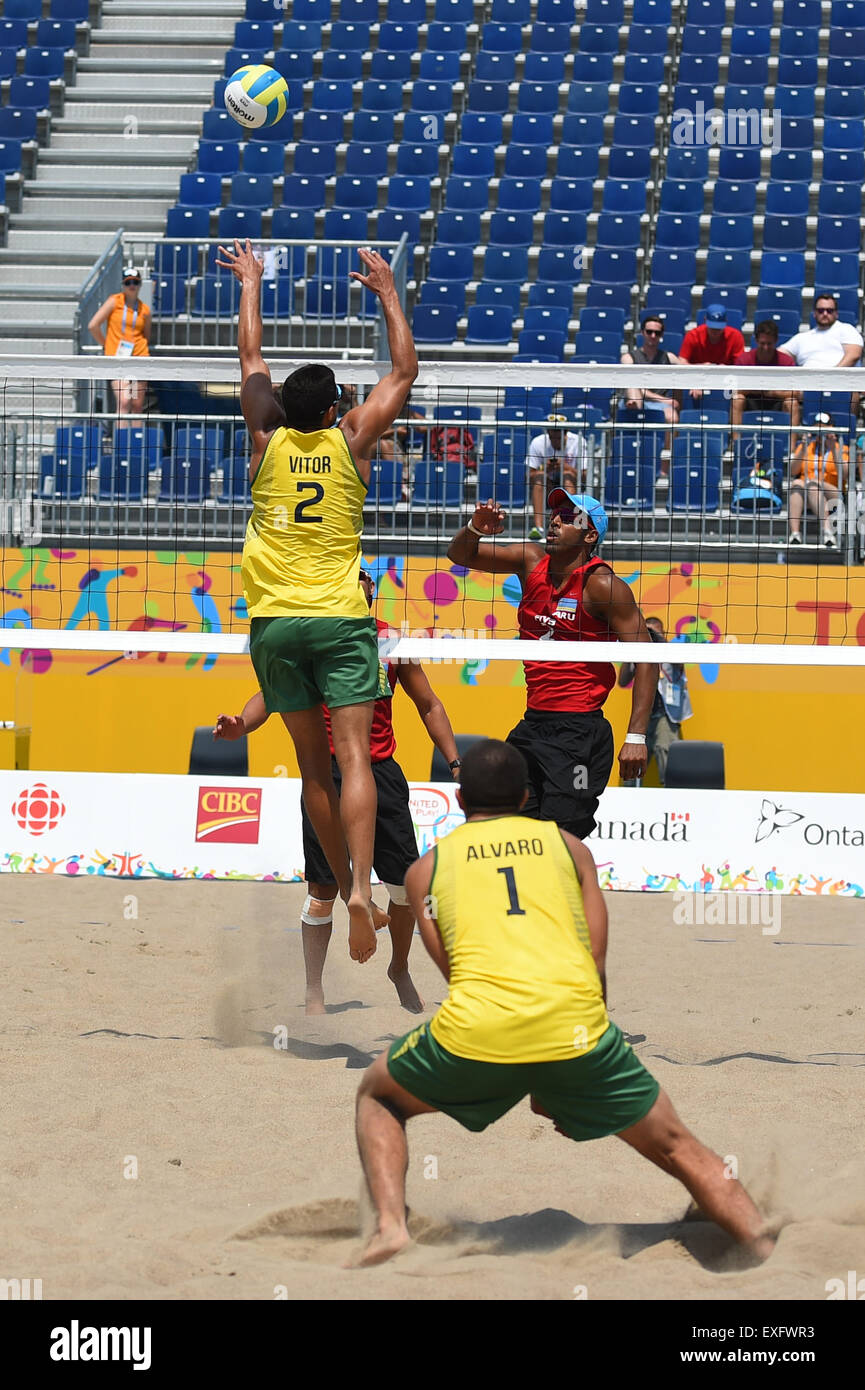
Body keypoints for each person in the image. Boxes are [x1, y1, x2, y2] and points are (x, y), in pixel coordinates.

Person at [351, 739, 775, 1267]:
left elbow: (457, 974)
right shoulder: (571, 849)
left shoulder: (424, 872)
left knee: (378, 1097)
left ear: (460, 801)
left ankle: (391, 1229)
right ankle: (761, 1243)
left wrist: (532, 1074)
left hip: (479, 1029)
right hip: (577, 1027)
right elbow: (595, 961)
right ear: (529, 796)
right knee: (679, 1147)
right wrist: (557, 1079)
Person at [215, 238, 418, 963]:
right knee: (355, 756)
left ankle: (333, 879)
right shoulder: (354, 439)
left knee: (312, 770)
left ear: (276, 409)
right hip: (338, 616)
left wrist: (251, 283)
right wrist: (388, 292)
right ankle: (362, 886)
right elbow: (403, 370)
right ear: (336, 408)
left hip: (275, 624)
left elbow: (249, 360)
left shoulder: (263, 443)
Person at [214, 569, 461, 1016]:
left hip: (380, 775)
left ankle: (399, 967)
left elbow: (430, 705)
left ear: (371, 590)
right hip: (325, 779)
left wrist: (456, 763)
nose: (356, 581)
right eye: (351, 575)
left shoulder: (390, 642)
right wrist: (241, 724)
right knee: (321, 889)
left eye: (363, 577)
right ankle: (314, 991)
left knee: (405, 889)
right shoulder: (312, 639)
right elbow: (268, 695)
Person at [447, 490, 658, 837]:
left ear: (590, 535)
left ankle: (569, 890)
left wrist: (636, 736)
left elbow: (648, 661)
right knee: (511, 827)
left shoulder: (603, 585)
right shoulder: (531, 561)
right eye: (555, 513)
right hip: (534, 726)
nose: (555, 520)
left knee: (562, 836)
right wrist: (475, 527)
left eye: (569, 516)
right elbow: (460, 553)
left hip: (579, 731)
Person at [618, 617, 692, 786]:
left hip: (665, 714)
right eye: (648, 631)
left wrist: (660, 641)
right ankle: (629, 799)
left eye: (654, 631)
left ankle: (671, 794)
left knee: (664, 749)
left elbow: (680, 664)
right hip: (643, 716)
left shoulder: (670, 652)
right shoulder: (639, 653)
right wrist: (635, 649)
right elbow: (622, 681)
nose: (651, 635)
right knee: (634, 759)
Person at [87, 264, 151, 419]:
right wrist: (107, 345)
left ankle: (136, 441)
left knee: (136, 405)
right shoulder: (114, 302)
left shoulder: (144, 310)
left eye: (135, 282)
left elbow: (147, 335)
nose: (132, 286)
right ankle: (120, 442)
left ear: (140, 285)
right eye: (128, 282)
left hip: (138, 360)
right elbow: (93, 325)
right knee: (123, 402)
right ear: (123, 285)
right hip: (119, 360)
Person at [730, 319, 800, 435]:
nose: (766, 348)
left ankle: (791, 450)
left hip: (777, 401)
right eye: (762, 344)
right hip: (751, 401)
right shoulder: (744, 359)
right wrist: (758, 389)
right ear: (756, 341)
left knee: (792, 402)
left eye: (769, 344)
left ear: (776, 341)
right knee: (737, 399)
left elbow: (796, 392)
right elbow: (732, 390)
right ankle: (736, 445)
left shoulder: (786, 361)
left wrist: (772, 392)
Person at [789, 413, 848, 549]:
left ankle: (828, 531)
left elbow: (845, 474)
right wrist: (803, 447)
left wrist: (833, 448)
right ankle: (795, 534)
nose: (821, 433)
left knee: (813, 484)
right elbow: (792, 471)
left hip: (833, 493)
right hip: (810, 492)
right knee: (798, 483)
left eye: (824, 428)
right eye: (817, 428)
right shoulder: (807, 447)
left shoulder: (842, 448)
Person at [525, 413, 589, 538]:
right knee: (539, 478)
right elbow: (528, 475)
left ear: (565, 434)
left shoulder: (578, 442)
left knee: (567, 475)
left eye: (558, 437)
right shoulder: (538, 442)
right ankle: (539, 528)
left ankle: (572, 524)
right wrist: (544, 469)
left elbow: (585, 476)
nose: (555, 441)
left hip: (570, 486)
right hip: (548, 487)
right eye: (552, 437)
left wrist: (564, 466)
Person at [677, 304, 745, 405]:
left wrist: (726, 369)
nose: (715, 331)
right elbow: (681, 363)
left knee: (738, 396)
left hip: (726, 379)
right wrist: (701, 369)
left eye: (718, 328)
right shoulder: (693, 335)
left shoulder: (735, 336)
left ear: (725, 323)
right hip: (697, 376)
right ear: (705, 321)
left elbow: (741, 366)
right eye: (712, 327)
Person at [780, 293, 863, 371]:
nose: (825, 314)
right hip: (806, 383)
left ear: (836, 313)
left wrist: (833, 376)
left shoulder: (846, 329)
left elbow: (853, 355)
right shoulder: (802, 337)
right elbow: (777, 354)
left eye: (829, 311)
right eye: (820, 310)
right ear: (814, 313)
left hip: (839, 382)